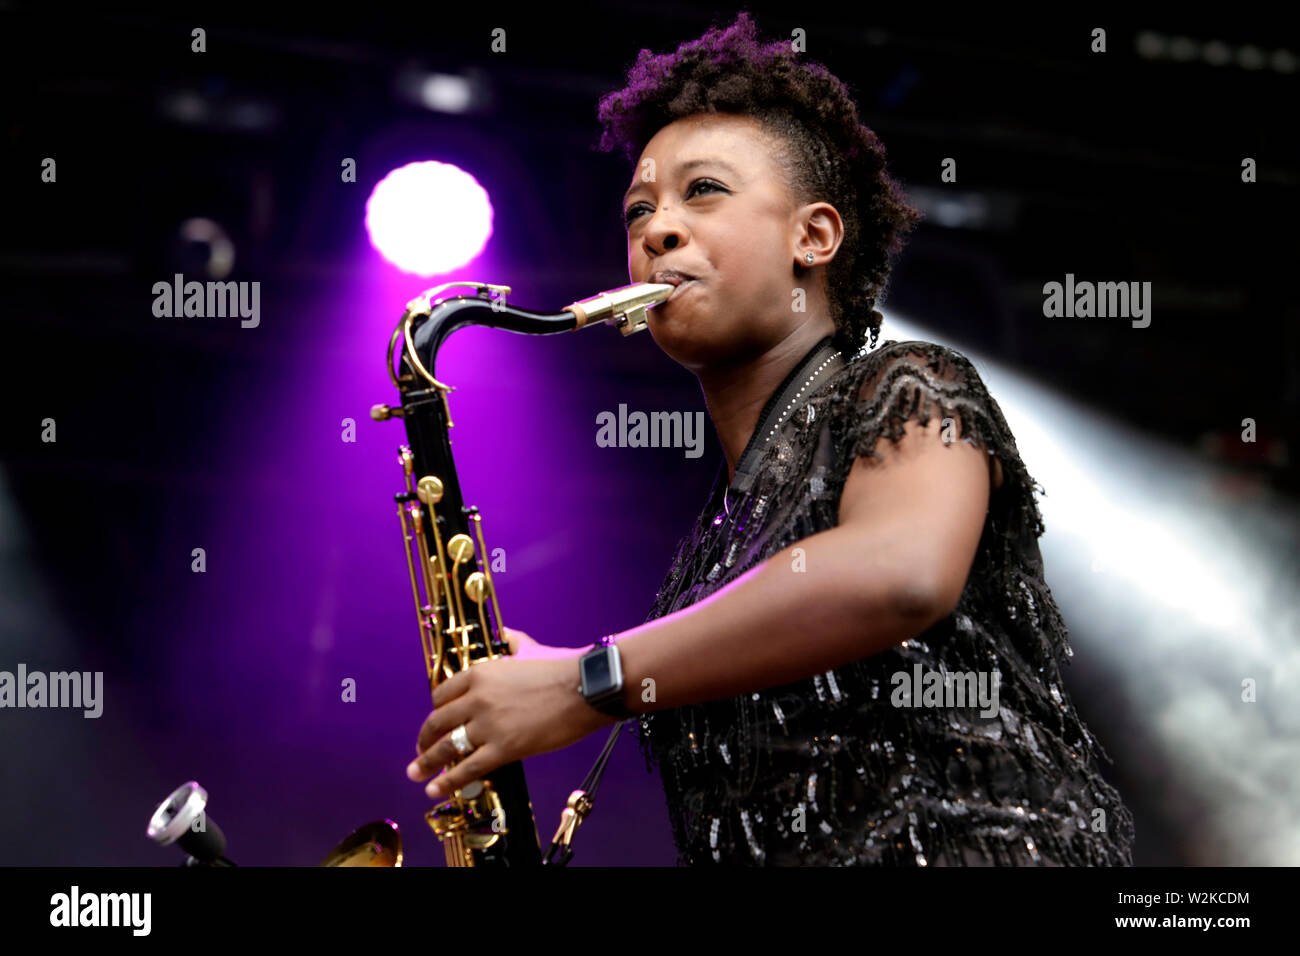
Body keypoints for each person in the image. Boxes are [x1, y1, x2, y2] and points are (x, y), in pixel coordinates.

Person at [407, 11, 1136, 866]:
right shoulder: (710, 558)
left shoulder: (911, 382)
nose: (655, 231)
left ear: (813, 237)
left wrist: (584, 681)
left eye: (703, 192)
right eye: (639, 209)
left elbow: (900, 573)